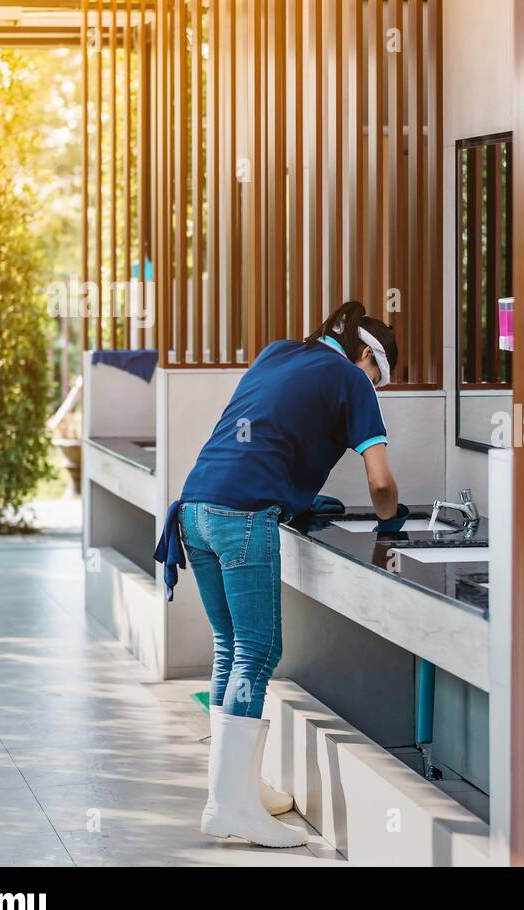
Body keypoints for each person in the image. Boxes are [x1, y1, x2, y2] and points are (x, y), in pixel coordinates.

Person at [154, 301, 402, 847]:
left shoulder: (278, 352)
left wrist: (297, 496)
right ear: (365, 355)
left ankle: (237, 787)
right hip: (242, 515)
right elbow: (381, 484)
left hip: (195, 508)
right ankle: (231, 805)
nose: (373, 391)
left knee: (230, 646)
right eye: (377, 378)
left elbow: (265, 431)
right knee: (259, 650)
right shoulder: (350, 378)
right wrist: (394, 522)